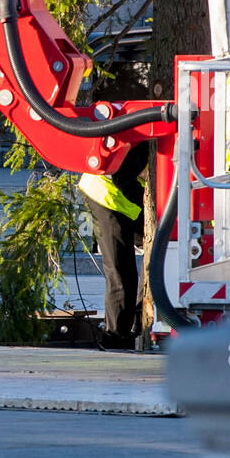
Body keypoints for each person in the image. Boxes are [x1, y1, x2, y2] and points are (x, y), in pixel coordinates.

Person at [79, 140, 148, 349]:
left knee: (157, 255)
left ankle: (138, 324)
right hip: (106, 197)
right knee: (121, 270)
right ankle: (115, 337)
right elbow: (122, 178)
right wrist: (147, 207)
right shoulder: (145, 141)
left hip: (124, 197)